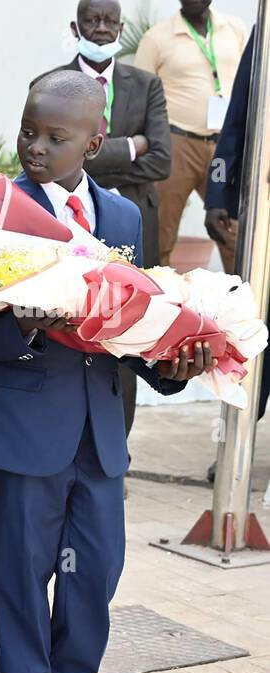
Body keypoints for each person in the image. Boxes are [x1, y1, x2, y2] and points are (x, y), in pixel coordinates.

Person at [0, 72, 215, 673]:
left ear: (94, 143)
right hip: (22, 429)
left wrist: (180, 366)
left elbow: (136, 328)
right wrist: (24, 324)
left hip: (100, 432)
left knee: (93, 576)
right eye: (28, 132)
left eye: (55, 137)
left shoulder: (124, 217)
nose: (36, 148)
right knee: (22, 579)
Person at [37, 0, 173, 441]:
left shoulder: (147, 84)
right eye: (91, 20)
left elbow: (163, 160)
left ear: (120, 26)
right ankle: (60, 438)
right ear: (75, 26)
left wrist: (87, 156)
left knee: (127, 331)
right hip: (63, 226)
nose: (100, 29)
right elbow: (49, 159)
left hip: (130, 224)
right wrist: (131, 147)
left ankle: (117, 444)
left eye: (108, 21)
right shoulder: (50, 85)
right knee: (68, 328)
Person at [135, 0, 246, 271]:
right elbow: (138, 98)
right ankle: (159, 301)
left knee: (232, 227)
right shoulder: (157, 38)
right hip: (178, 146)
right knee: (162, 230)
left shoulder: (234, 29)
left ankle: (242, 298)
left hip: (224, 152)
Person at [203, 28, 270, 446]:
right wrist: (219, 192)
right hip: (265, 216)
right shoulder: (267, 29)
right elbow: (239, 114)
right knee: (254, 328)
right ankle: (237, 444)